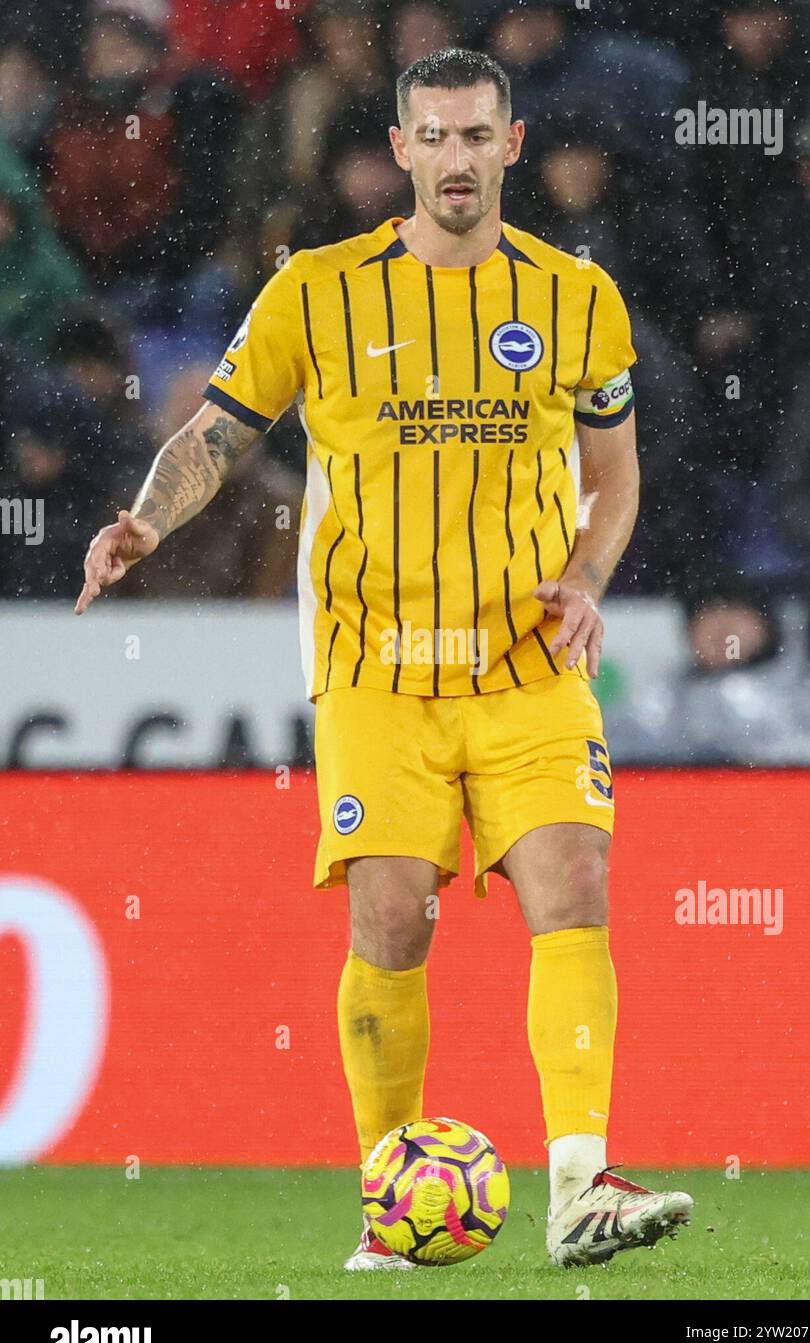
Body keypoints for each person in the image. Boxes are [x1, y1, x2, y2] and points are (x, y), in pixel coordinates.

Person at [75, 47, 693, 1270]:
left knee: (574, 882)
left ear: (510, 149)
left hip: (528, 664)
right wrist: (148, 517)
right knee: (392, 920)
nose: (457, 159)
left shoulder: (580, 297)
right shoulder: (316, 291)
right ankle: (392, 1203)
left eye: (478, 136)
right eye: (435, 136)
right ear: (402, 149)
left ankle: (579, 1184)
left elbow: (614, 479)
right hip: (377, 670)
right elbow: (217, 430)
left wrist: (584, 577)